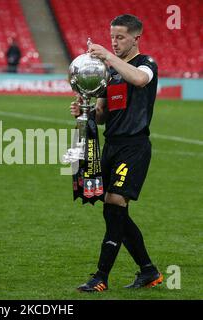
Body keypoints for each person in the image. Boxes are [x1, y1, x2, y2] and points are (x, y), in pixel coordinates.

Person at [70, 14, 163, 292]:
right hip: (110, 145)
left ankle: (100, 277)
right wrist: (84, 112)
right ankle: (148, 271)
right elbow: (101, 115)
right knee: (114, 213)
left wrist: (108, 56)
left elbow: (139, 80)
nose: (115, 41)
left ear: (136, 38)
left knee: (114, 202)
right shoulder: (108, 73)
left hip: (134, 146)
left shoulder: (146, 64)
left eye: (120, 37)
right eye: (112, 37)